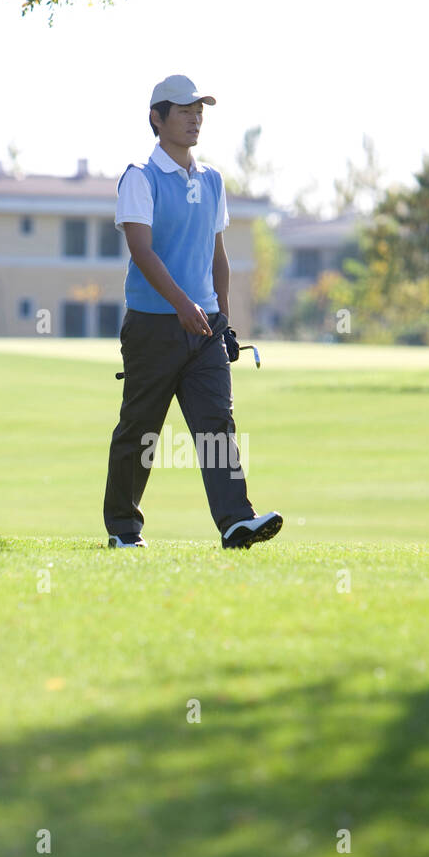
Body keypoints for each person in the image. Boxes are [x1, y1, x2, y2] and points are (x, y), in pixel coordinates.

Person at [103, 73, 283, 550]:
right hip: (152, 326)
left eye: (199, 109)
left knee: (216, 425)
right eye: (183, 110)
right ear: (156, 119)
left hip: (203, 326)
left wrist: (222, 318)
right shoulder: (139, 178)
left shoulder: (213, 180)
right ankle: (123, 529)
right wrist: (182, 305)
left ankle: (234, 521)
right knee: (141, 429)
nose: (194, 117)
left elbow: (216, 255)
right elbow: (143, 251)